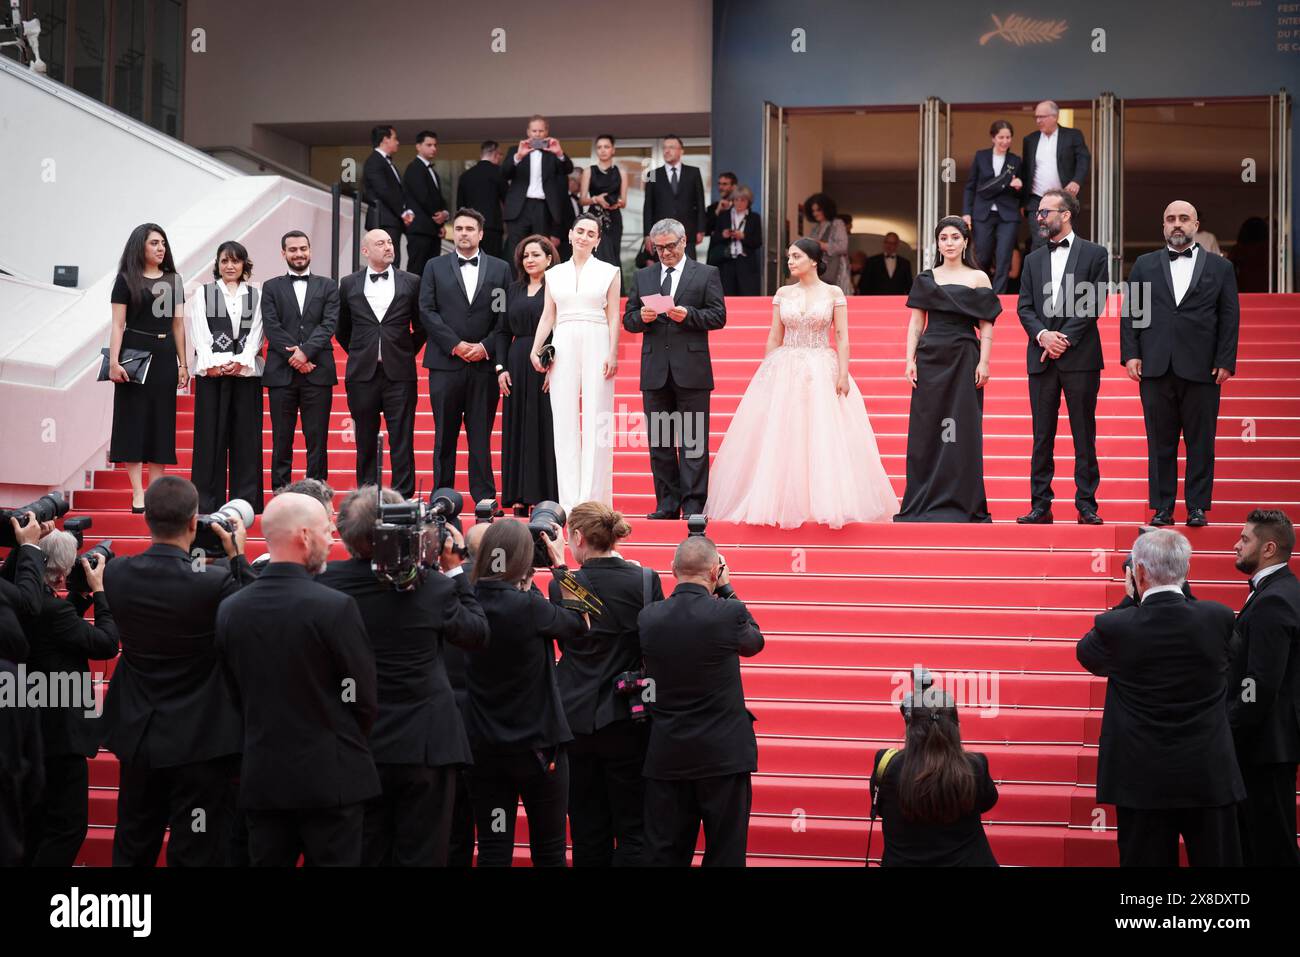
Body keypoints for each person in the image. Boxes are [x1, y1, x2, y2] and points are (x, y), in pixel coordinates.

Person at [317, 486, 489, 866]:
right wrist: (455, 570)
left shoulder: (324, 585)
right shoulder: (435, 588)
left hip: (355, 741)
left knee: (364, 851)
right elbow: (477, 633)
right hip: (425, 746)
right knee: (423, 854)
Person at [217, 492, 379, 866]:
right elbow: (363, 698)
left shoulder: (231, 609)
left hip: (264, 779)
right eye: (326, 531)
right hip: (332, 781)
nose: (332, 539)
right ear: (304, 536)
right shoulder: (334, 607)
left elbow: (234, 693)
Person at [101, 475, 248, 866]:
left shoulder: (116, 574)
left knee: (134, 839)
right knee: (197, 845)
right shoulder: (216, 583)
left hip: (140, 733)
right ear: (193, 521)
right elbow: (252, 622)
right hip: (202, 738)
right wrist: (237, 558)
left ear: (146, 517)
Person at [1077, 529, 1245, 866]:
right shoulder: (1218, 618)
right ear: (1187, 573)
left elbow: (1087, 655)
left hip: (1141, 781)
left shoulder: (1116, 627)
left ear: (1137, 572)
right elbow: (1234, 661)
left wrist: (1130, 598)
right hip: (1208, 774)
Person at [708, 239, 898, 528]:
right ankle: (779, 500)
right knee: (783, 434)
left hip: (822, 366)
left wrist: (843, 374)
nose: (790, 262)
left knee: (822, 433)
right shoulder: (783, 293)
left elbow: (843, 336)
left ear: (813, 260)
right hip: (785, 366)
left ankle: (823, 501)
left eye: (796, 256)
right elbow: (774, 335)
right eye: (788, 257)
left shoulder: (833, 292)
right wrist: (767, 372)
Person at [547, 502, 664, 866]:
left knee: (586, 827)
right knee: (632, 827)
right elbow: (651, 641)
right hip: (628, 715)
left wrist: (560, 570)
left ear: (579, 537)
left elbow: (584, 623)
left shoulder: (565, 585)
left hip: (577, 718)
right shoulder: (646, 580)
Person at [466, 519, 589, 866]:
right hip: (539, 750)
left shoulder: (468, 601)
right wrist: (561, 566)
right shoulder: (531, 608)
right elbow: (583, 622)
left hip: (485, 749)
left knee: (493, 843)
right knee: (548, 848)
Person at [639, 536, 763, 866]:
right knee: (726, 850)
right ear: (714, 571)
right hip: (723, 755)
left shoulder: (649, 617)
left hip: (668, 753)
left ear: (672, 570)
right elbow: (754, 642)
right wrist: (728, 588)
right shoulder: (728, 612)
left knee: (665, 851)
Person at [1123, 200, 1239, 527]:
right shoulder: (1144, 265)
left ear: (1196, 225)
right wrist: (1131, 353)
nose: (1177, 224)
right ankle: (1162, 507)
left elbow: (1229, 317)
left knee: (1201, 441)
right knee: (1160, 442)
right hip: (1155, 366)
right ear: (1163, 226)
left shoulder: (1221, 268)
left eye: (1183, 219)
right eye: (1171, 219)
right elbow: (1132, 312)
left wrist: (1225, 359)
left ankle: (1197, 507)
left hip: (1203, 367)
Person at [19, 530, 118, 866]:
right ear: (61, 572)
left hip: (32, 727)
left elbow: (59, 628)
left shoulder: (27, 601)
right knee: (68, 827)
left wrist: (79, 595)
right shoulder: (53, 613)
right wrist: (101, 592)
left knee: (35, 824)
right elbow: (106, 642)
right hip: (60, 736)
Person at [895, 218, 999, 522]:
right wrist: (909, 360)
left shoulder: (979, 277)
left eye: (955, 237)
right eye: (943, 238)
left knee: (962, 431)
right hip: (930, 358)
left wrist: (985, 361)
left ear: (965, 242)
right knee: (927, 431)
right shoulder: (925, 278)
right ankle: (924, 499)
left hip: (965, 356)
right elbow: (916, 323)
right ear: (937, 243)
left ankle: (961, 502)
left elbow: (987, 324)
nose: (949, 242)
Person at [1015, 188, 1108, 525]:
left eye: (1045, 212)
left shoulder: (1095, 254)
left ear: (1066, 214)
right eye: (1039, 213)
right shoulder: (1032, 259)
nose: (1039, 218)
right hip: (1041, 357)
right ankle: (1041, 505)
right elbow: (1024, 306)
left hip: (1080, 357)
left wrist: (1063, 339)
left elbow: (1094, 303)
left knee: (1084, 433)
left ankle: (1087, 505)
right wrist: (1043, 336)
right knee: (1042, 435)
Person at [623, 218, 727, 520]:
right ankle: (667, 504)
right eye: (659, 248)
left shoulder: (706, 273)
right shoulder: (644, 275)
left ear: (684, 242)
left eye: (670, 246)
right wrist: (642, 317)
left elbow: (718, 316)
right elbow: (629, 319)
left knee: (694, 441)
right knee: (660, 442)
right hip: (655, 371)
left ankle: (694, 505)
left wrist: (689, 315)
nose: (665, 253)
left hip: (691, 370)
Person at [418, 207, 512, 505]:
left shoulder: (500, 269)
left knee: (480, 436)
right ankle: (441, 497)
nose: (464, 233)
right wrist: (456, 345)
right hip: (445, 364)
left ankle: (484, 497)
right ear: (450, 232)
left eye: (470, 229)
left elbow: (503, 316)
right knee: (444, 434)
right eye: (458, 228)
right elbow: (427, 311)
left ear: (481, 233)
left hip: (483, 365)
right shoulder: (434, 266)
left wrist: (485, 347)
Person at [530, 212, 621, 511]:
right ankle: (569, 503)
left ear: (597, 241)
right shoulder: (553, 274)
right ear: (569, 234)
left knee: (597, 417)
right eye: (579, 231)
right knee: (564, 420)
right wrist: (536, 348)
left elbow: (613, 316)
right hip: (564, 338)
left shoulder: (610, 271)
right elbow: (548, 315)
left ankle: (593, 501)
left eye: (590, 233)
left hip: (597, 337)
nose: (583, 237)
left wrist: (613, 352)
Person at [1228, 509, 1300, 865]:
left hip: (1263, 746)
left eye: (1245, 539)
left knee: (1271, 843)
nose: (1236, 545)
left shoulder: (1274, 599)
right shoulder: (1283, 590)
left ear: (1268, 548)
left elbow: (1258, 683)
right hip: (1270, 744)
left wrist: (1231, 721)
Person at [337, 229, 426, 499]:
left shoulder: (411, 281)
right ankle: (366, 495)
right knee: (364, 438)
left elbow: (422, 326)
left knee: (402, 438)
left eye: (390, 241)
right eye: (380, 243)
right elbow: (342, 328)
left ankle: (403, 496)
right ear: (366, 251)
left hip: (399, 372)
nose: (388, 247)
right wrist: (360, 351)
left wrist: (403, 350)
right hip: (362, 374)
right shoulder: (349, 283)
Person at [106, 223, 189, 512]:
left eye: (163, 243)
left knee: (161, 423)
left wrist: (183, 364)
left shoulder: (173, 280)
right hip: (134, 354)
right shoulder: (126, 280)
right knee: (133, 422)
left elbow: (178, 324)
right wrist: (114, 362)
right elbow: (117, 324)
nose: (160, 248)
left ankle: (154, 493)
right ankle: (138, 493)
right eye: (154, 243)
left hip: (166, 355)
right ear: (140, 245)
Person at [870, 693, 999, 866]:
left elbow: (879, 809)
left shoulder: (886, 764)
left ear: (910, 727)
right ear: (956, 727)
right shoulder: (975, 766)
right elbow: (988, 802)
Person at [187, 240, 265, 515]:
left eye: (235, 261)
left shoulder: (256, 295)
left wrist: (241, 361)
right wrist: (214, 364)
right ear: (218, 265)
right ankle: (207, 502)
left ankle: (246, 503)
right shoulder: (203, 294)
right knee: (209, 438)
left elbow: (257, 333)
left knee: (247, 439)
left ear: (244, 264)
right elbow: (199, 333)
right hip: (212, 374)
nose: (230, 266)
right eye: (224, 261)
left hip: (245, 374)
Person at [259, 230, 339, 492]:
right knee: (282, 437)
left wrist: (306, 353)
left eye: (303, 248)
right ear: (283, 253)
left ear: (310, 251)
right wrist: (296, 356)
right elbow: (271, 326)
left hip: (318, 371)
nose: (299, 254)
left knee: (317, 438)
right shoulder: (271, 287)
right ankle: (281, 491)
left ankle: (316, 491)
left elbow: (329, 324)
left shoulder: (328, 285)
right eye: (292, 249)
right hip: (282, 372)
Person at [495, 235, 560, 514]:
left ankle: (546, 494)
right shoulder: (508, 290)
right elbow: (500, 331)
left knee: (545, 427)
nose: (529, 260)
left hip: (546, 363)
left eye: (535, 255)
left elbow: (560, 329)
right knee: (517, 427)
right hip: (516, 363)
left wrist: (553, 366)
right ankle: (518, 495)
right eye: (525, 256)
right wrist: (500, 368)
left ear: (549, 258)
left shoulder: (558, 288)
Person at [962, 120, 1024, 294]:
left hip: (1008, 215)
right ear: (993, 138)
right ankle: (981, 292)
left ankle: (998, 296)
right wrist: (966, 212)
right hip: (983, 213)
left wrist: (1019, 185)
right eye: (1001, 137)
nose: (1005, 141)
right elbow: (971, 186)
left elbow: (1021, 193)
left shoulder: (1015, 160)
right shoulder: (981, 156)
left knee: (1004, 256)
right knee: (983, 254)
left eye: (1008, 137)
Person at [1021, 101, 1090, 251]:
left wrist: (1076, 181)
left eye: (1042, 117)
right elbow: (1026, 170)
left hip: (1063, 200)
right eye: (1036, 117)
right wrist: (1022, 202)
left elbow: (1083, 160)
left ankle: (1065, 274)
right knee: (1040, 240)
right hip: (1037, 200)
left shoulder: (1073, 136)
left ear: (1055, 116)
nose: (1038, 120)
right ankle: (1042, 274)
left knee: (1065, 239)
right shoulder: (1030, 140)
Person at [502, 115, 573, 261]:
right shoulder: (515, 150)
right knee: (516, 251)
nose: (537, 134)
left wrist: (559, 153)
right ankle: (517, 284)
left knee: (540, 249)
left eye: (541, 131)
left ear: (546, 132)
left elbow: (568, 169)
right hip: (519, 208)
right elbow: (504, 173)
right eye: (534, 131)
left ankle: (539, 284)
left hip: (543, 207)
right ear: (528, 132)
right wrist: (518, 157)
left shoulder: (552, 153)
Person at [643, 135, 706, 260]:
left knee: (689, 272)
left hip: (687, 232)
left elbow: (700, 201)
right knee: (663, 272)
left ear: (681, 151)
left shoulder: (694, 172)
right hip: (661, 234)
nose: (667, 151)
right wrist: (647, 234)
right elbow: (648, 206)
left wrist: (701, 229)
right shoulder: (652, 174)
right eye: (664, 148)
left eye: (671, 147)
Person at [362, 124, 414, 268]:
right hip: (383, 220)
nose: (397, 142)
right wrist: (402, 212)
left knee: (393, 261)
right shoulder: (374, 161)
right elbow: (383, 190)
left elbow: (397, 191)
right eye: (394, 138)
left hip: (390, 220)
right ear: (385, 139)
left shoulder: (385, 161)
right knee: (385, 261)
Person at [403, 129, 449, 280]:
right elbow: (423, 197)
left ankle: (426, 303)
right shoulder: (414, 168)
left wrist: (443, 217)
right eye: (429, 145)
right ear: (418, 146)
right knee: (416, 270)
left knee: (431, 273)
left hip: (432, 229)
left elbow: (438, 198)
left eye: (435, 145)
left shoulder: (432, 172)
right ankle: (410, 303)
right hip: (420, 229)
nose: (433, 148)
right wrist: (440, 215)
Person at [581, 134, 627, 273]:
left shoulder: (622, 172)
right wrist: (596, 199)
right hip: (594, 219)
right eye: (599, 147)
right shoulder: (589, 171)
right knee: (594, 255)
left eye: (606, 147)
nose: (603, 150)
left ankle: (616, 293)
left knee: (613, 255)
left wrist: (615, 204)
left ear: (613, 150)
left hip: (614, 218)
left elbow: (624, 202)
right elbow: (582, 199)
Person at [707, 185, 762, 295]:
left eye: (743, 200)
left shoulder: (754, 217)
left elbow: (758, 242)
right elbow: (714, 238)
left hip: (746, 263)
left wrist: (743, 237)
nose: (739, 203)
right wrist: (723, 235)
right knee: (726, 296)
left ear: (748, 202)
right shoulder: (724, 216)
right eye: (736, 200)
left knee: (747, 297)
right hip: (726, 261)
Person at [458, 141, 507, 258]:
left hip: (470, 227)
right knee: (492, 263)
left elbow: (460, 206)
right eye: (500, 154)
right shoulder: (499, 173)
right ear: (495, 154)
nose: (500, 158)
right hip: (492, 227)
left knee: (471, 261)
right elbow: (508, 199)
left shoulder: (465, 176)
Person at [802, 193, 852, 296]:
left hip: (836, 271)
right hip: (819, 271)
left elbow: (842, 247)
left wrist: (820, 244)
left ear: (826, 208)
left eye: (818, 210)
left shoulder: (837, 224)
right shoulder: (815, 228)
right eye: (813, 211)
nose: (815, 213)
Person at [559, 171, 583, 262]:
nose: (581, 188)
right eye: (580, 184)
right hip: (562, 241)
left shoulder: (578, 200)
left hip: (574, 243)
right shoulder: (560, 196)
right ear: (571, 181)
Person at [703, 171, 737, 236]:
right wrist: (717, 212)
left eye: (725, 184)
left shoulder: (741, 207)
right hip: (717, 245)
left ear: (734, 186)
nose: (720, 187)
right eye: (719, 184)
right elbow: (705, 231)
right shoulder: (712, 208)